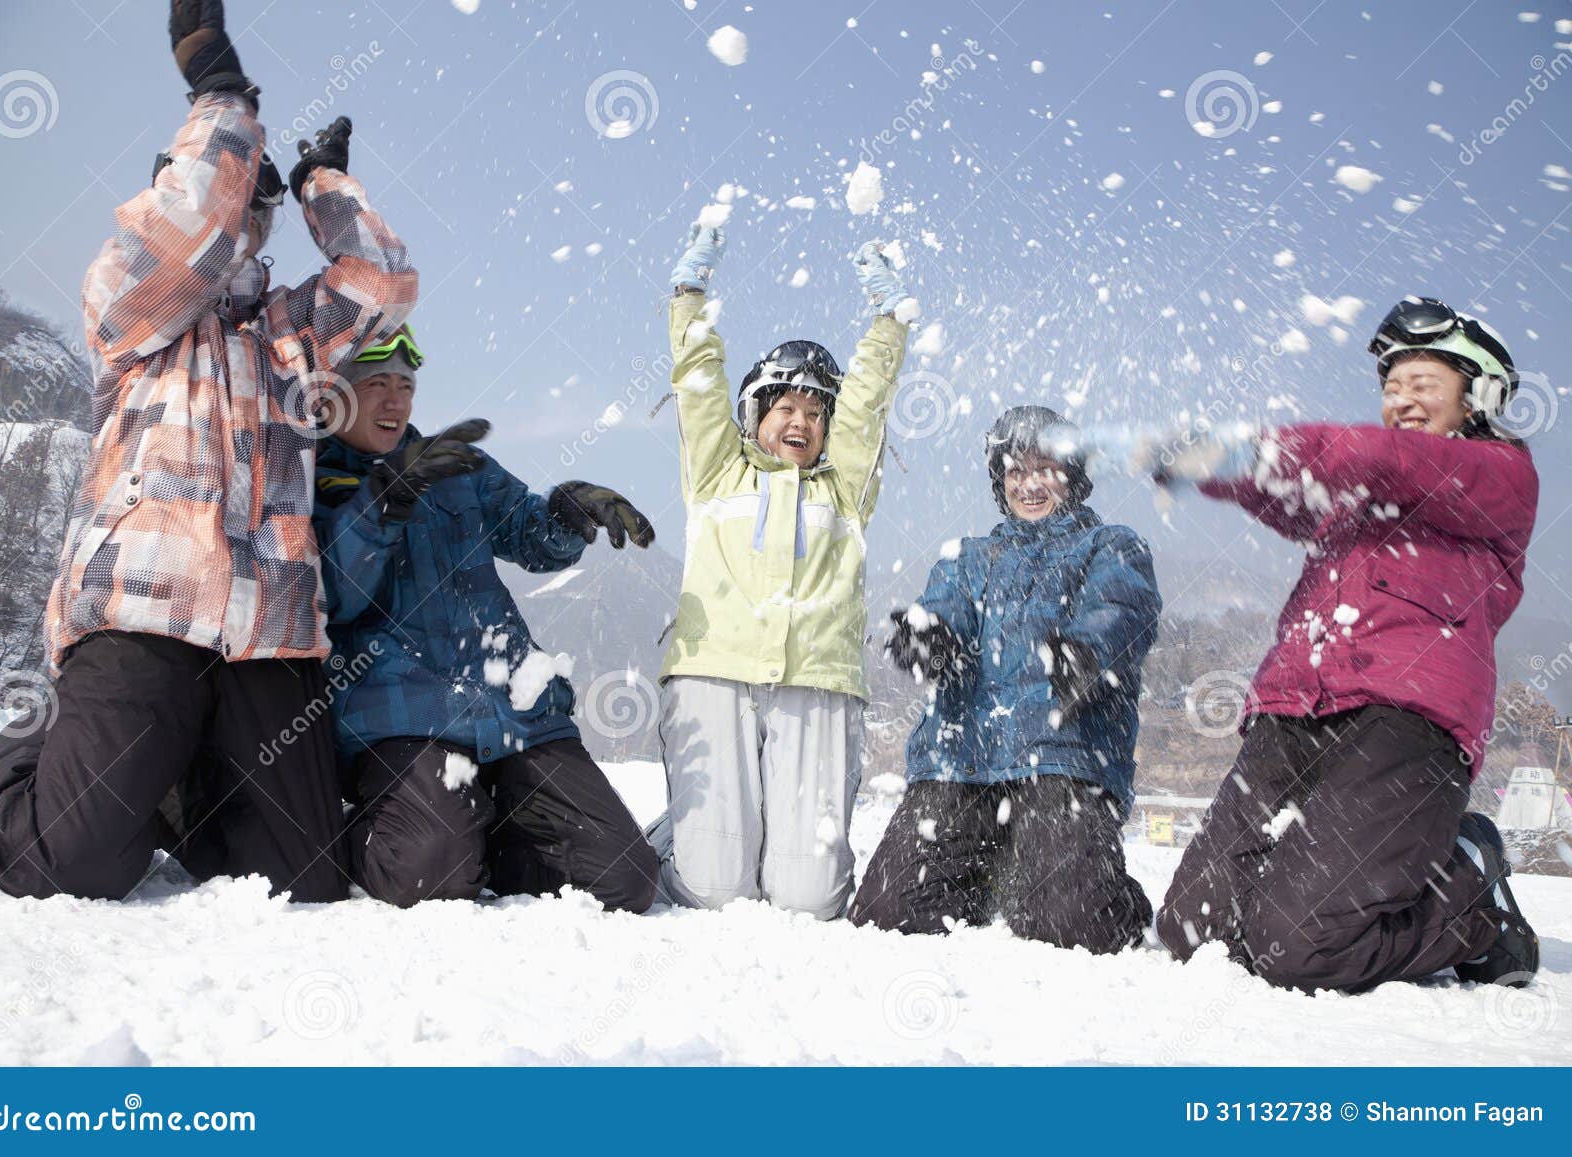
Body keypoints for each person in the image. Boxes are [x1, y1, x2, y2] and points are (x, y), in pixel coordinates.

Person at [0, 0, 416, 903]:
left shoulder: (287, 336)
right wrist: (221, 95)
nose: (239, 218)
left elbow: (382, 284)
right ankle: (28, 751)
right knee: (76, 860)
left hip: (267, 634)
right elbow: (189, 233)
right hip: (143, 610)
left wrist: (323, 184)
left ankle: (171, 781)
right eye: (226, 196)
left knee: (304, 879)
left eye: (256, 205)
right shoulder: (130, 303)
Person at [1152, 296, 1540, 991]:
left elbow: (1379, 457)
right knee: (1192, 927)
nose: (1402, 402)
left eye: (1424, 385)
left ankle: (1472, 897)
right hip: (1294, 707)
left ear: (1480, 394)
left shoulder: (1499, 474)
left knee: (1299, 947)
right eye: (1392, 389)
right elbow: (1292, 489)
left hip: (1406, 721)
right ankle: (1331, 884)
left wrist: (1262, 445)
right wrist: (1212, 462)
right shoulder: (1367, 490)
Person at [312, 327, 661, 910]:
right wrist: (381, 504)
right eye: (376, 385)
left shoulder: (452, 466)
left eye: (405, 385)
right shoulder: (312, 477)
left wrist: (567, 513)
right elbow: (335, 595)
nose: (396, 401)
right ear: (332, 395)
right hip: (402, 716)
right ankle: (373, 835)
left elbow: (530, 536)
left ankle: (476, 842)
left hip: (513, 706)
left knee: (623, 878)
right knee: (426, 877)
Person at [644, 226, 912, 919]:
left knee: (810, 899)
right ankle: (684, 836)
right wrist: (688, 297)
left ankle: (760, 844)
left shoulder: (843, 491)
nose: (803, 421)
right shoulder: (716, 473)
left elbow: (868, 409)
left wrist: (888, 324)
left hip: (816, 684)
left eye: (817, 411)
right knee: (712, 889)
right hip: (713, 674)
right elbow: (697, 386)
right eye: (787, 406)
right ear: (757, 414)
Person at [850, 406, 1161, 951]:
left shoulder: (1110, 545)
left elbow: (1121, 606)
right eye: (1014, 472)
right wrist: (932, 637)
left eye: (1044, 468)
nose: (1028, 484)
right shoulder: (970, 558)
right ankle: (990, 871)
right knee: (885, 911)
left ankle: (1085, 884)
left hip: (1060, 757)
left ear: (1073, 474)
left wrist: (1088, 652)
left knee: (1069, 927)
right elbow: (945, 606)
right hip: (961, 763)